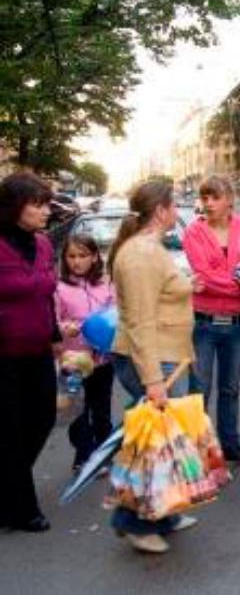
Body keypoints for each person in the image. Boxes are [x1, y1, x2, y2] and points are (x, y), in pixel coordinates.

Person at [109, 179, 197, 554]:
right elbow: (142, 321)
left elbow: (159, 298)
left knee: (165, 443)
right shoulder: (142, 253)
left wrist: (188, 284)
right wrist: (153, 380)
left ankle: (163, 514)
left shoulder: (149, 249)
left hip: (165, 356)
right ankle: (133, 523)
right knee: (151, 445)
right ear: (161, 210)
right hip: (155, 359)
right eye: (174, 205)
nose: (177, 211)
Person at [183, 175, 240, 467]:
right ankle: (197, 453)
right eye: (204, 198)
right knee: (200, 389)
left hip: (236, 324)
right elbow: (205, 278)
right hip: (203, 323)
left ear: (230, 199)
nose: (207, 203)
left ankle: (231, 446)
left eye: (213, 197)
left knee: (230, 389)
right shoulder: (194, 232)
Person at [0, 171, 58, 533]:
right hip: (3, 355)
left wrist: (54, 335)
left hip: (37, 350)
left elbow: (47, 294)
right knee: (9, 430)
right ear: (15, 207)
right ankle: (22, 508)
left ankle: (8, 486)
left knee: (42, 419)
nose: (46, 211)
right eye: (38, 204)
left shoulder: (44, 244)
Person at [54, 234, 115, 473]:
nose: (77, 261)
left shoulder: (107, 284)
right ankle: (83, 455)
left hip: (102, 360)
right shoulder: (58, 288)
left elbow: (117, 315)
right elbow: (52, 321)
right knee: (77, 411)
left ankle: (104, 453)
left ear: (94, 257)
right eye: (71, 256)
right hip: (73, 360)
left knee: (101, 409)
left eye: (82, 255)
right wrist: (64, 328)